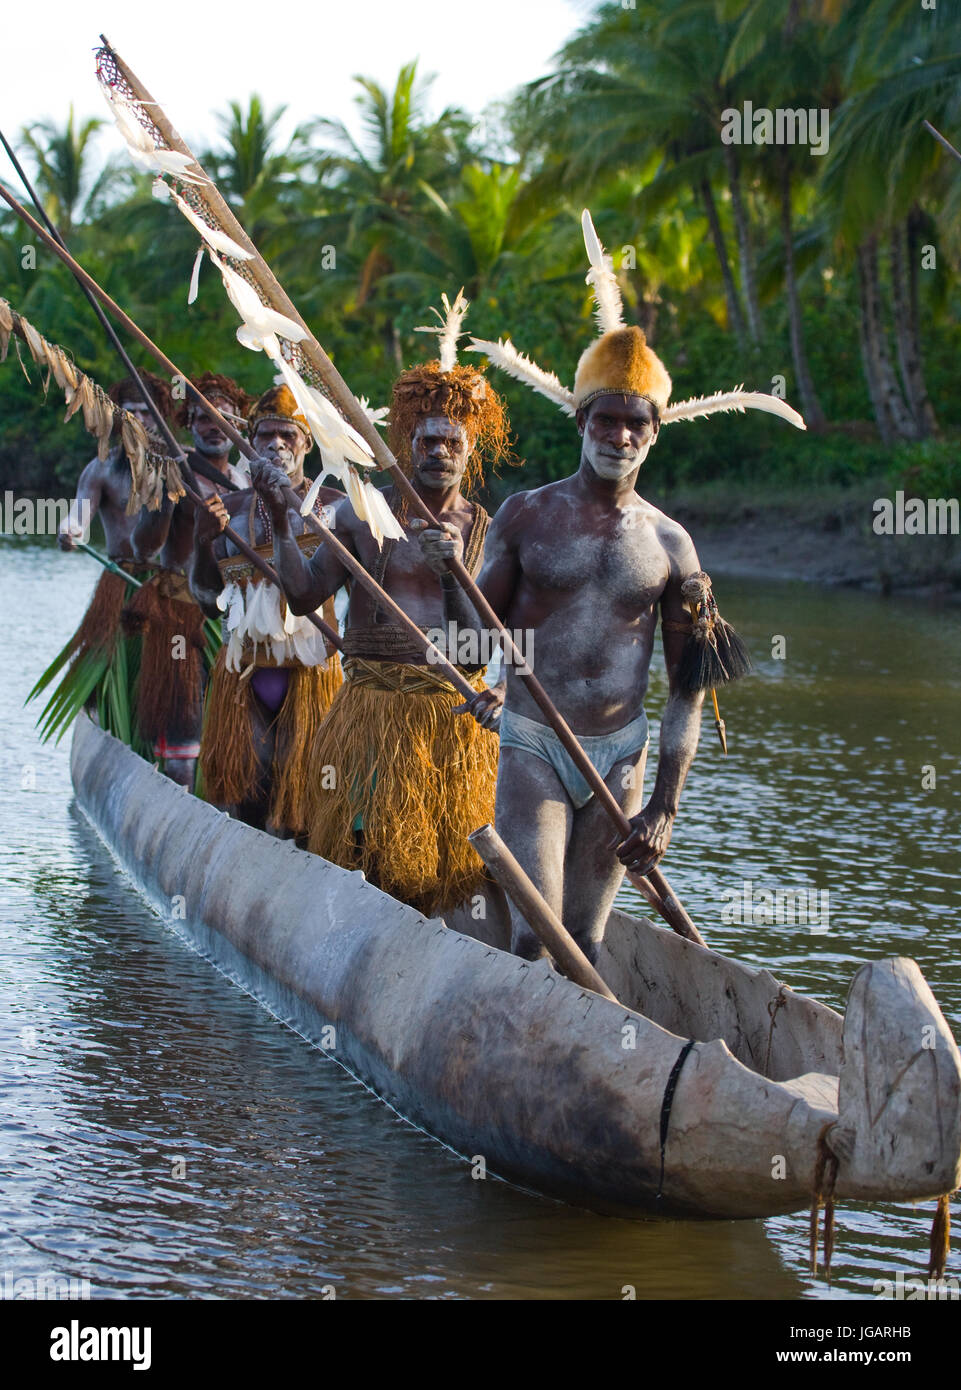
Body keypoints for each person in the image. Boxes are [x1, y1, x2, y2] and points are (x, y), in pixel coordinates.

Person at [460, 212, 799, 961]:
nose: (618, 437)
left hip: (620, 753)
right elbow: (477, 625)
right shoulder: (526, 516)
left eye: (633, 425)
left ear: (654, 433)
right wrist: (473, 678)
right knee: (533, 934)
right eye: (605, 420)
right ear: (579, 420)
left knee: (584, 935)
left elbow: (685, 690)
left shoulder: (671, 545)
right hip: (532, 742)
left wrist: (666, 806)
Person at [264, 318, 513, 915]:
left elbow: (480, 651)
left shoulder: (488, 530)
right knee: (365, 853)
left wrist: (453, 572)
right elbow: (301, 599)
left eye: (452, 442)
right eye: (427, 442)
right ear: (406, 445)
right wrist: (278, 520)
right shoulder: (359, 515)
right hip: (370, 708)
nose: (438, 453)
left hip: (451, 715)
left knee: (443, 869)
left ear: (470, 449)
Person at [189, 384, 343, 834]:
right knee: (249, 796)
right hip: (244, 676)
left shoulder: (335, 510)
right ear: (250, 445)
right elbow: (203, 596)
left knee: (307, 805)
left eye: (288, 436)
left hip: (314, 677)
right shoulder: (227, 510)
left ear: (307, 444)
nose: (276, 444)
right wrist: (203, 542)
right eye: (266, 436)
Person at [123, 373, 254, 787]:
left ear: (240, 424)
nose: (215, 427)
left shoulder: (247, 480)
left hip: (238, 618)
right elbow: (143, 548)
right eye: (202, 419)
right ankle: (174, 796)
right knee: (183, 733)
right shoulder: (172, 474)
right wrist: (162, 499)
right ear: (189, 424)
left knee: (239, 730)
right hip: (180, 615)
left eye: (223, 417)